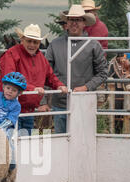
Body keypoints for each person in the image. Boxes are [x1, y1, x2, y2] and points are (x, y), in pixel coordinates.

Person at [45, 4, 108, 135]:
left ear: (84, 23)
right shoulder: (54, 45)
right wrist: (44, 99)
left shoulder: (93, 45)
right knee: (61, 141)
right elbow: (45, 72)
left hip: (83, 102)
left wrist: (86, 87)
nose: (74, 23)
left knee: (83, 142)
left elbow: (103, 72)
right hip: (60, 103)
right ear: (66, 22)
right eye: (71, 19)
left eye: (78, 20)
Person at [0, 24, 68, 135]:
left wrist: (59, 85)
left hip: (28, 110)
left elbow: (49, 76)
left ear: (39, 43)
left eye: (35, 42)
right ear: (22, 40)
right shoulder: (11, 54)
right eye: (29, 41)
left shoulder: (40, 57)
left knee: (24, 144)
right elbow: (10, 78)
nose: (32, 45)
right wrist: (33, 89)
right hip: (10, 109)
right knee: (12, 144)